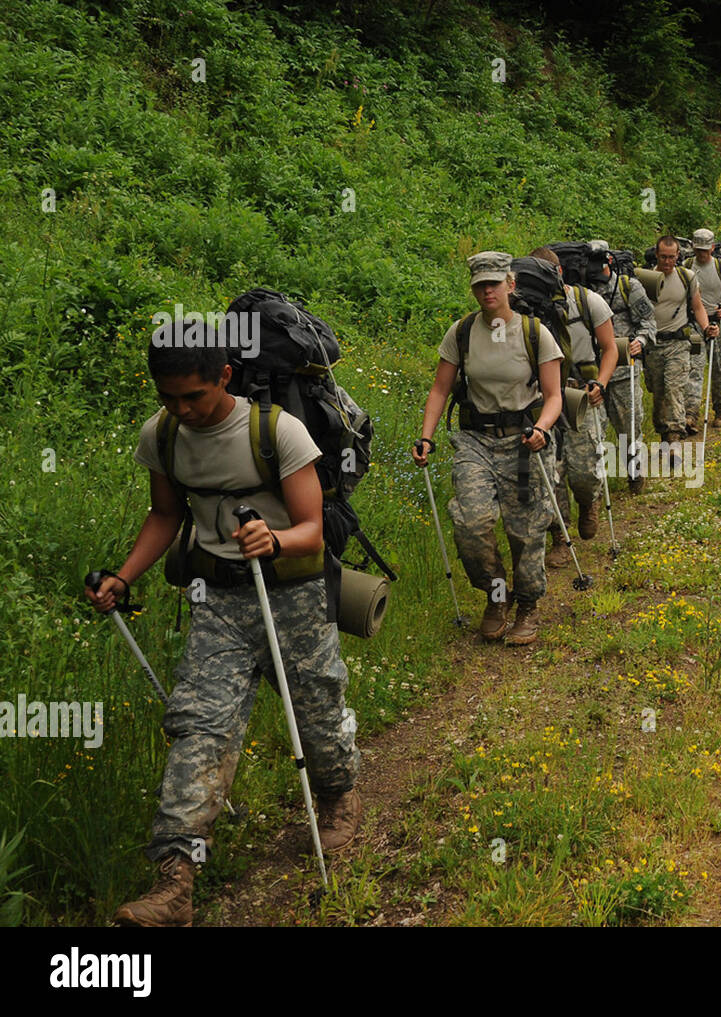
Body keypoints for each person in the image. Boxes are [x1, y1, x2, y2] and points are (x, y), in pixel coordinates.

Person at [87, 328, 362, 926]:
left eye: (193, 397)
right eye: (169, 398)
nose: (182, 410)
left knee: (315, 711)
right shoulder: (161, 437)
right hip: (217, 602)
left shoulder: (277, 432)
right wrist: (125, 577)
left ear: (224, 378)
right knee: (200, 725)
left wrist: (275, 537)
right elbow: (165, 516)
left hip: (292, 591)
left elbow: (313, 527)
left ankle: (339, 794)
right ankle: (175, 883)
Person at [414, 251, 563, 646]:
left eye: (493, 284)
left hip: (524, 442)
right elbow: (440, 389)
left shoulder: (535, 333)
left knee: (526, 530)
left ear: (510, 285)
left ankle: (528, 606)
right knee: (470, 522)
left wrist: (543, 429)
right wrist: (426, 437)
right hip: (475, 440)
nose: (486, 292)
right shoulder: (461, 332)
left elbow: (553, 396)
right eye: (479, 285)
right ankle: (497, 595)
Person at [527, 247, 617, 566]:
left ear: (559, 273)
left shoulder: (587, 301)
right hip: (543, 399)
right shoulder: (528, 309)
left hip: (582, 395)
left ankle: (588, 499)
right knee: (550, 473)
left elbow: (610, 348)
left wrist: (601, 383)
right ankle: (560, 537)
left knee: (584, 470)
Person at [588, 239, 655, 495]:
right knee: (595, 432)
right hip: (592, 372)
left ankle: (635, 474)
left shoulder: (628, 286)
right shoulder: (582, 289)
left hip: (625, 370)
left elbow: (648, 320)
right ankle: (595, 490)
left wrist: (640, 341)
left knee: (629, 428)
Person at [643, 235, 710, 459]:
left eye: (672, 257)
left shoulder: (686, 277)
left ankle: (675, 438)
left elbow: (697, 306)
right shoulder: (645, 278)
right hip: (653, 344)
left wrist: (707, 327)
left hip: (678, 342)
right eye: (663, 257)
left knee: (674, 387)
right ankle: (664, 434)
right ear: (656, 254)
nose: (668, 262)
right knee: (658, 391)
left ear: (678, 256)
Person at [685, 229, 721, 430]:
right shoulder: (686, 267)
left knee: (719, 367)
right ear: (693, 248)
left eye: (705, 250)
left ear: (713, 248)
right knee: (694, 368)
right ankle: (690, 414)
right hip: (694, 324)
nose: (701, 254)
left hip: (718, 323)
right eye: (698, 250)